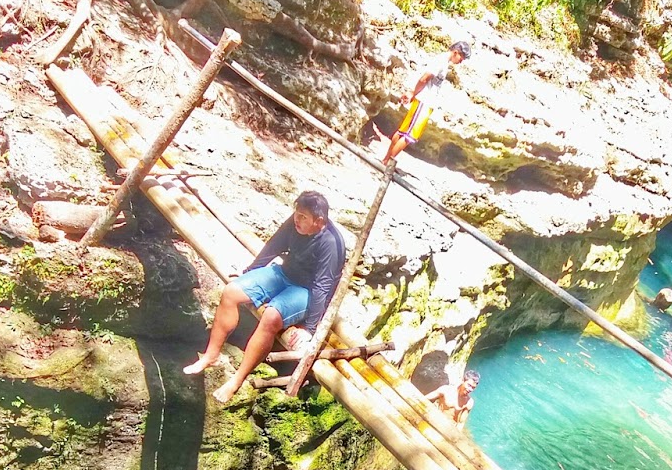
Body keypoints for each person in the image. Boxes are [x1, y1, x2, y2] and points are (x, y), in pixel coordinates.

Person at [183, 190, 345, 404]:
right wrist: (251, 271)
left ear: (319, 221)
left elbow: (322, 287)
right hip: (284, 273)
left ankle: (237, 379)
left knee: (271, 316)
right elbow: (274, 245)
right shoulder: (296, 223)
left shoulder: (331, 243)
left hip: (307, 290)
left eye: (303, 217)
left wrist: (310, 329)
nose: (297, 219)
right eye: (296, 213)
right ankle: (210, 355)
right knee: (231, 291)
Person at [375, 40, 471, 167]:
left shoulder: (444, 61)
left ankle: (385, 160)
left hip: (423, 102)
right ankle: (386, 163)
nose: (461, 62)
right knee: (409, 136)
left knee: (403, 132)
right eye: (461, 58)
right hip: (424, 102)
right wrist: (413, 93)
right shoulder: (441, 61)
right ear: (456, 52)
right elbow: (424, 78)